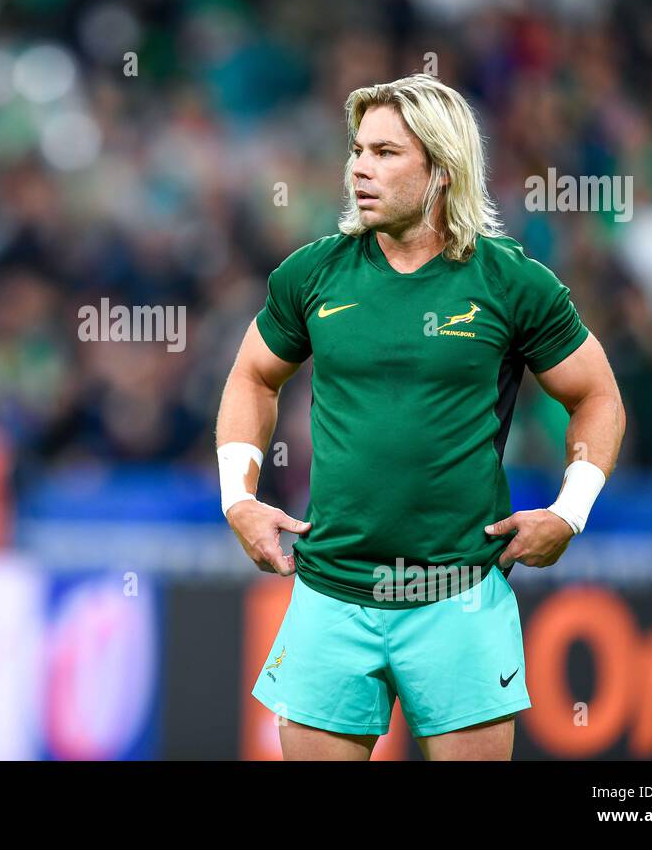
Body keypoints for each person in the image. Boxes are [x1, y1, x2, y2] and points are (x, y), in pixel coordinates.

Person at [215, 74, 625, 760]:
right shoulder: (312, 275)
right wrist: (238, 499)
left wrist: (571, 510)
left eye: (384, 153)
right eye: (357, 150)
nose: (358, 168)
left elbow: (598, 395)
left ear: (440, 169)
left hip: (459, 594)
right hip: (331, 594)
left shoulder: (510, 281)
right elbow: (253, 375)